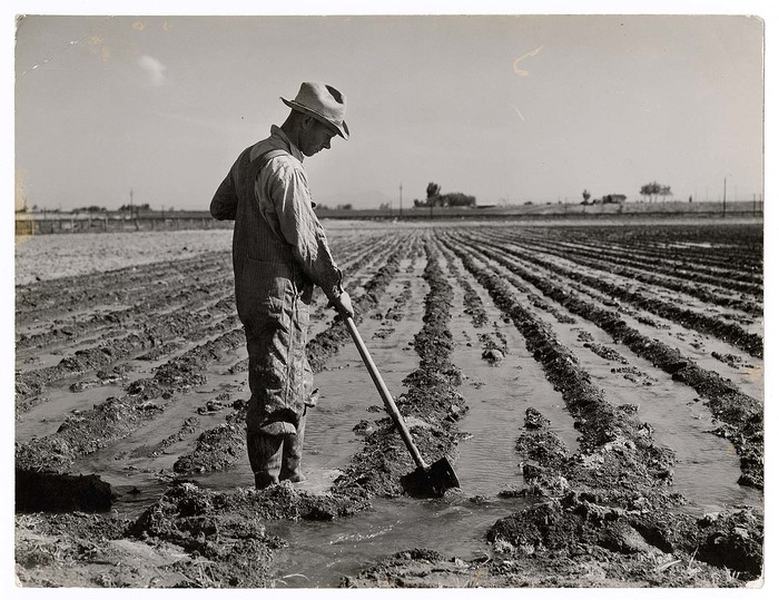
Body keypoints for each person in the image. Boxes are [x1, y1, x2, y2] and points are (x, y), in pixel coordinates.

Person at [210, 82, 354, 489]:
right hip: (281, 296)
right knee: (279, 387)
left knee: (288, 378)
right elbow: (307, 243)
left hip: (252, 292)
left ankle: (291, 476)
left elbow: (220, 206)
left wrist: (257, 214)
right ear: (307, 121)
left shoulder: (252, 155)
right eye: (328, 135)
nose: (327, 146)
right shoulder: (287, 169)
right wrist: (336, 288)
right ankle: (272, 488)